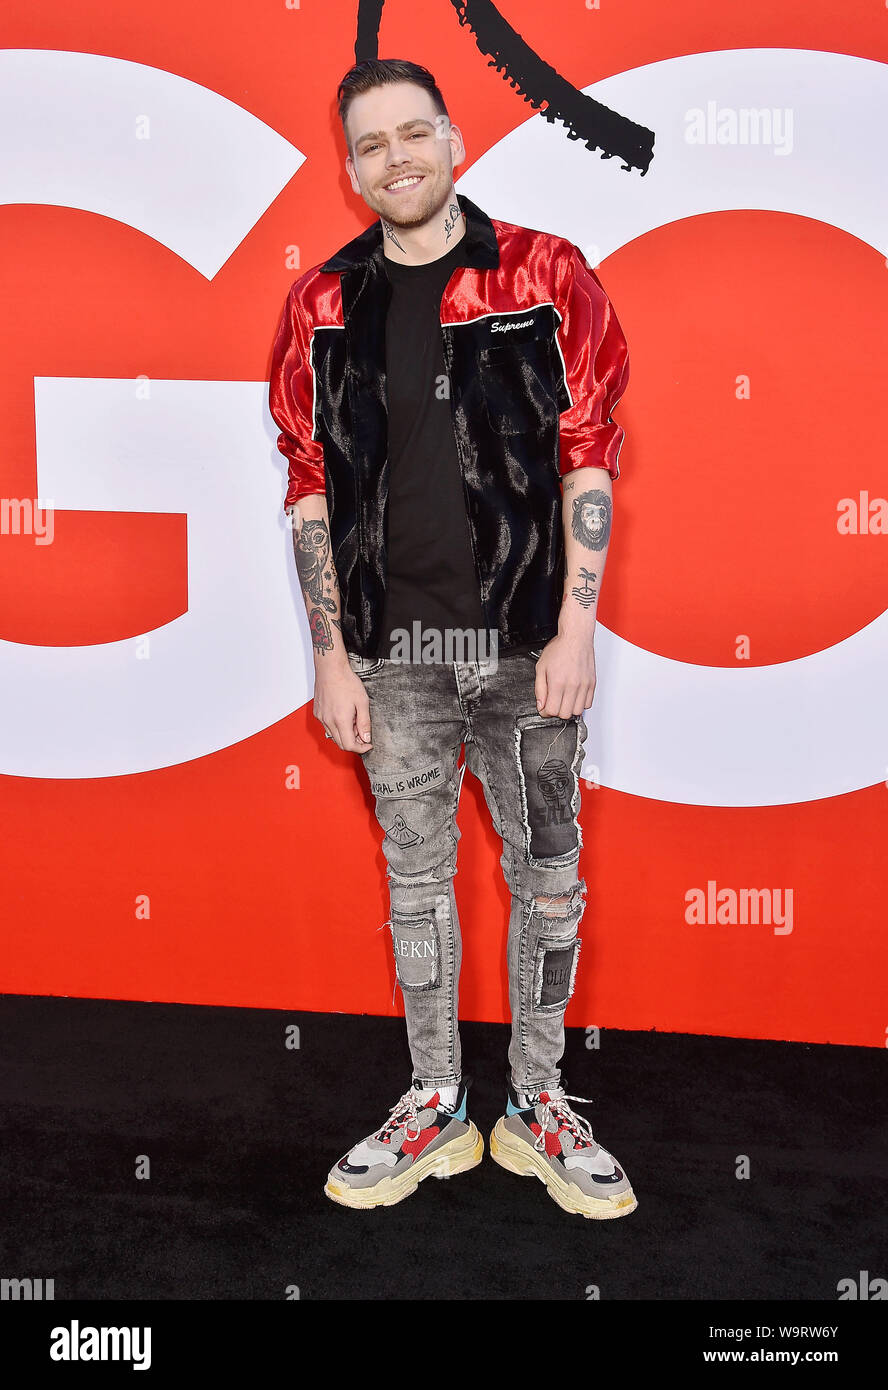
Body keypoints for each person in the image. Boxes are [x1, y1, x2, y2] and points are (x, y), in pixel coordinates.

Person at [268, 57, 636, 1219]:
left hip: (530, 646)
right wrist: (330, 654)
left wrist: (578, 626)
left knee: (551, 884)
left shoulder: (545, 272)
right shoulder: (323, 305)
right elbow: (310, 482)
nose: (394, 159)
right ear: (350, 167)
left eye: (412, 133)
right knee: (417, 884)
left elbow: (590, 451)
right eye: (368, 145)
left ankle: (538, 1101)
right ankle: (436, 1100)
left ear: (456, 138)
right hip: (393, 654)